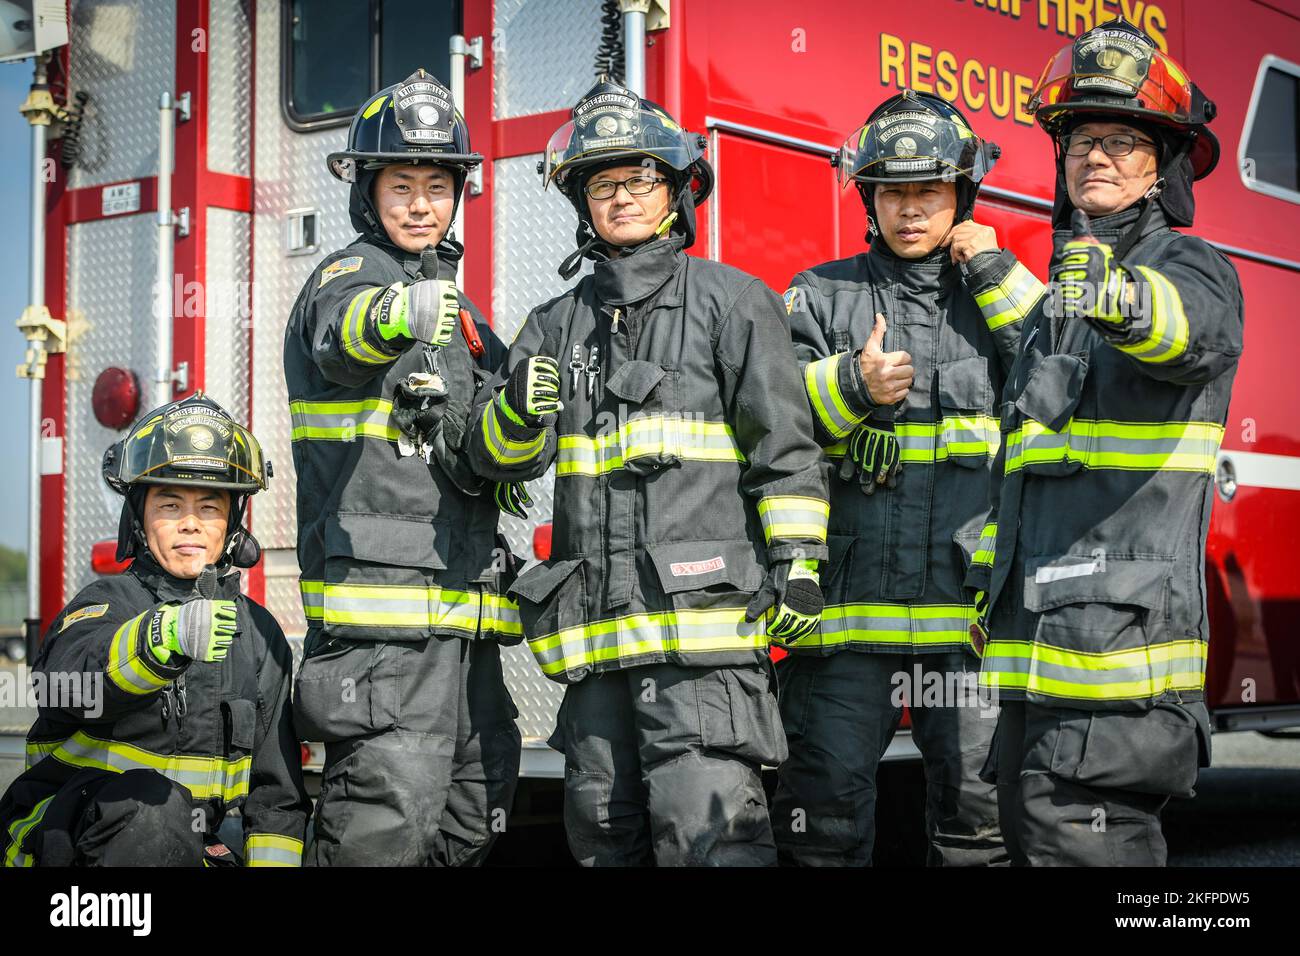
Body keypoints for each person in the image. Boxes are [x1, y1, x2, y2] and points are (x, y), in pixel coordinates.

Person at [467, 78, 830, 866]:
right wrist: (516, 415)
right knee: (603, 841)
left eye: (640, 179)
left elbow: (787, 451)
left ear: (674, 190)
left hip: (703, 653)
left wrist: (800, 565)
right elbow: (498, 467)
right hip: (596, 655)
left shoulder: (734, 304)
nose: (622, 197)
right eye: (604, 184)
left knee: (708, 841)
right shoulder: (552, 327)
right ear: (582, 204)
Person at [972, 19, 1241, 866]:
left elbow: (1195, 333)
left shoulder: (1188, 264)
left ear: (1161, 165)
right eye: (1081, 140)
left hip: (1120, 661)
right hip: (1039, 652)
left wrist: (1120, 297)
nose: (1094, 155)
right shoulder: (1063, 297)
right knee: (1033, 836)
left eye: (1120, 140)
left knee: (1087, 847)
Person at [773, 90, 1038, 866]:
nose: (911, 209)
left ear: (963, 193)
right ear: (869, 198)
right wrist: (850, 388)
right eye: (893, 191)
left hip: (967, 623)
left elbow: (1066, 373)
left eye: (929, 190)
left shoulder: (995, 293)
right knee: (820, 821)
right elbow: (770, 421)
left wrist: (993, 268)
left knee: (977, 822)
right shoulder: (821, 294)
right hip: (849, 629)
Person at [284, 69, 522, 866]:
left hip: (464, 615)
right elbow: (341, 338)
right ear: (366, 192)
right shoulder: (350, 278)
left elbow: (484, 454)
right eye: (401, 185)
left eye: (437, 186)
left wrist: (525, 420)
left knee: (471, 810)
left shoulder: (463, 311)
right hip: (383, 621)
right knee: (385, 820)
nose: (421, 204)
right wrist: (394, 314)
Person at [0, 393, 308, 867]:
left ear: (232, 523)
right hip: (68, 841)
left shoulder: (259, 636)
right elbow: (65, 688)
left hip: (191, 851)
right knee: (152, 808)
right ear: (140, 519)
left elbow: (277, 803)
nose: (190, 523)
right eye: (169, 504)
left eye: (209, 507)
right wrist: (162, 639)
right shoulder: (104, 604)